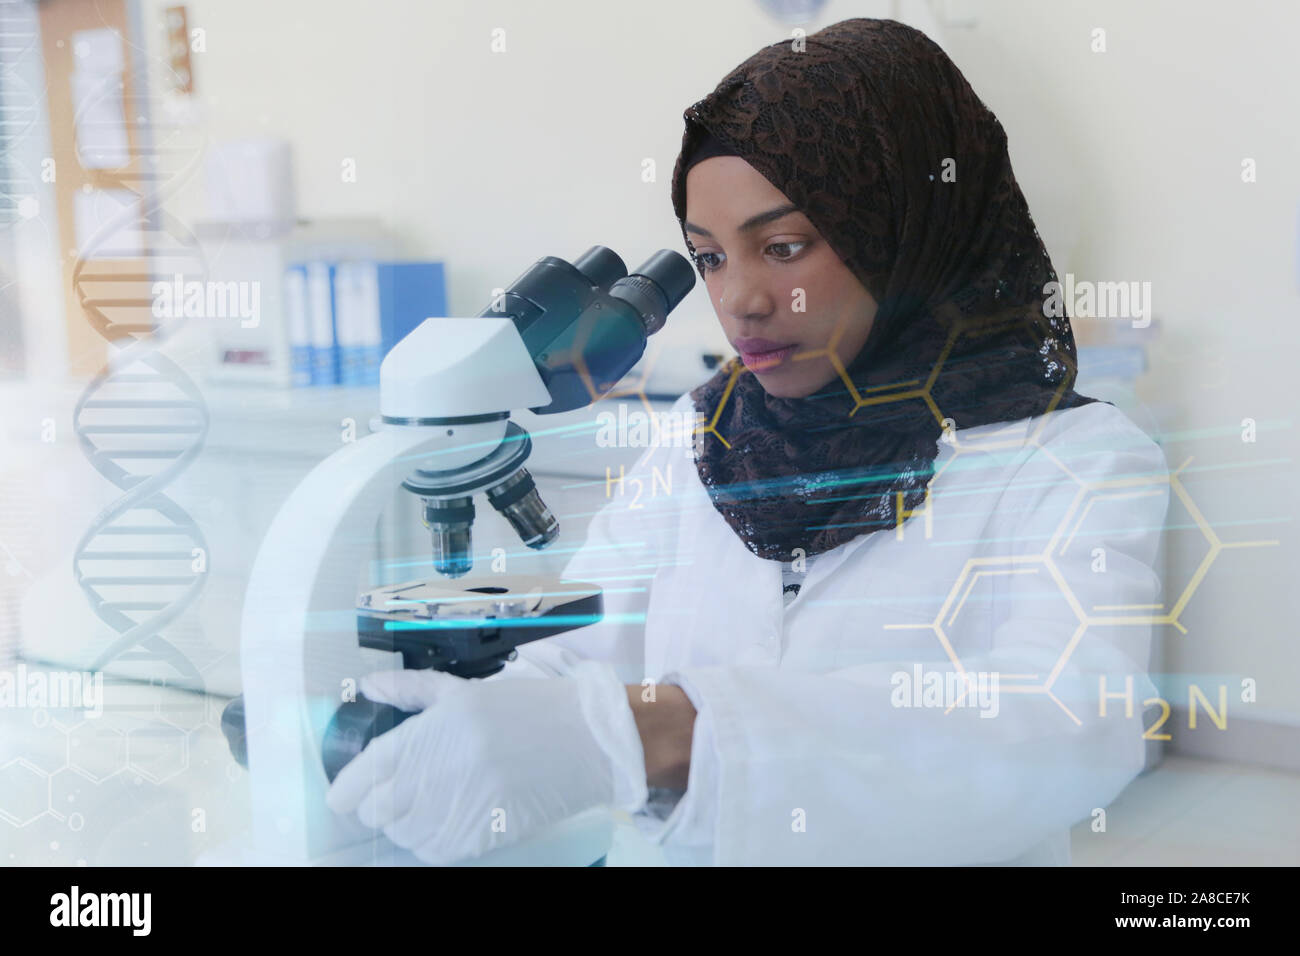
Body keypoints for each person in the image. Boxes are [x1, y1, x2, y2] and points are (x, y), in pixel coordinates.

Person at [326, 18, 1170, 866]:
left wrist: (656, 735)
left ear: (905, 229)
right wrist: (456, 723)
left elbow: (1073, 722)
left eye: (784, 246)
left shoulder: (1071, 458)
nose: (741, 302)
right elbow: (579, 658)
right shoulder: (703, 433)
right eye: (710, 259)